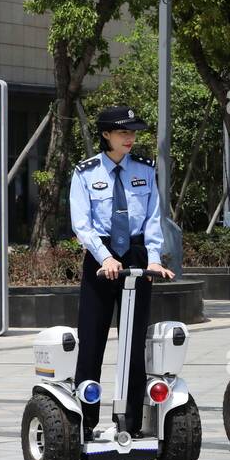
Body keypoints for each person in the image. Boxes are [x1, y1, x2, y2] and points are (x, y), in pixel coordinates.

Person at [70, 105, 174, 438]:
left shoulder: (145, 169)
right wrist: (104, 258)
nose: (130, 138)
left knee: (133, 341)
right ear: (106, 135)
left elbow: (153, 219)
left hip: (136, 255)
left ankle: (129, 421)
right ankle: (85, 422)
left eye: (133, 133)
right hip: (100, 261)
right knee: (91, 340)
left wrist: (153, 258)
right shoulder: (85, 173)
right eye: (123, 133)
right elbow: (81, 224)